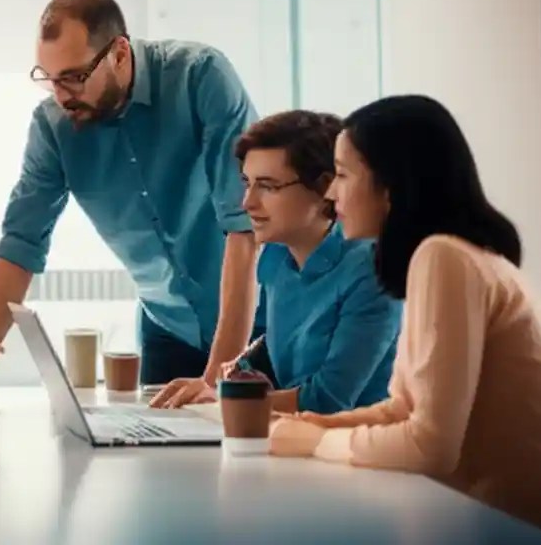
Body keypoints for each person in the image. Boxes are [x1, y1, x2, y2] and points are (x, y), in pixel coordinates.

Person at [0, 0, 258, 398]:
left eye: (74, 77)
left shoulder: (200, 77)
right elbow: (20, 245)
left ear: (119, 54)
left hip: (255, 324)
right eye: (49, 79)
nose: (61, 96)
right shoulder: (53, 127)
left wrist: (217, 379)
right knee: (162, 437)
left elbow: (243, 225)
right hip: (168, 326)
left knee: (265, 436)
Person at [269, 95, 541, 533]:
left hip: (506, 525)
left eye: (342, 174)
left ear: (391, 186)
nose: (330, 192)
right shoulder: (453, 256)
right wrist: (315, 423)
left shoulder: (443, 257)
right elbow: (407, 407)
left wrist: (320, 441)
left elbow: (430, 445)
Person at [150, 110, 401, 413]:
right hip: (290, 432)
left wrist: (223, 399)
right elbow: (268, 350)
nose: (247, 203)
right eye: (247, 183)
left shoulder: (372, 270)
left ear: (324, 188)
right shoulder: (277, 255)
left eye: (268, 186)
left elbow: (328, 399)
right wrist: (215, 384)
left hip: (353, 438)